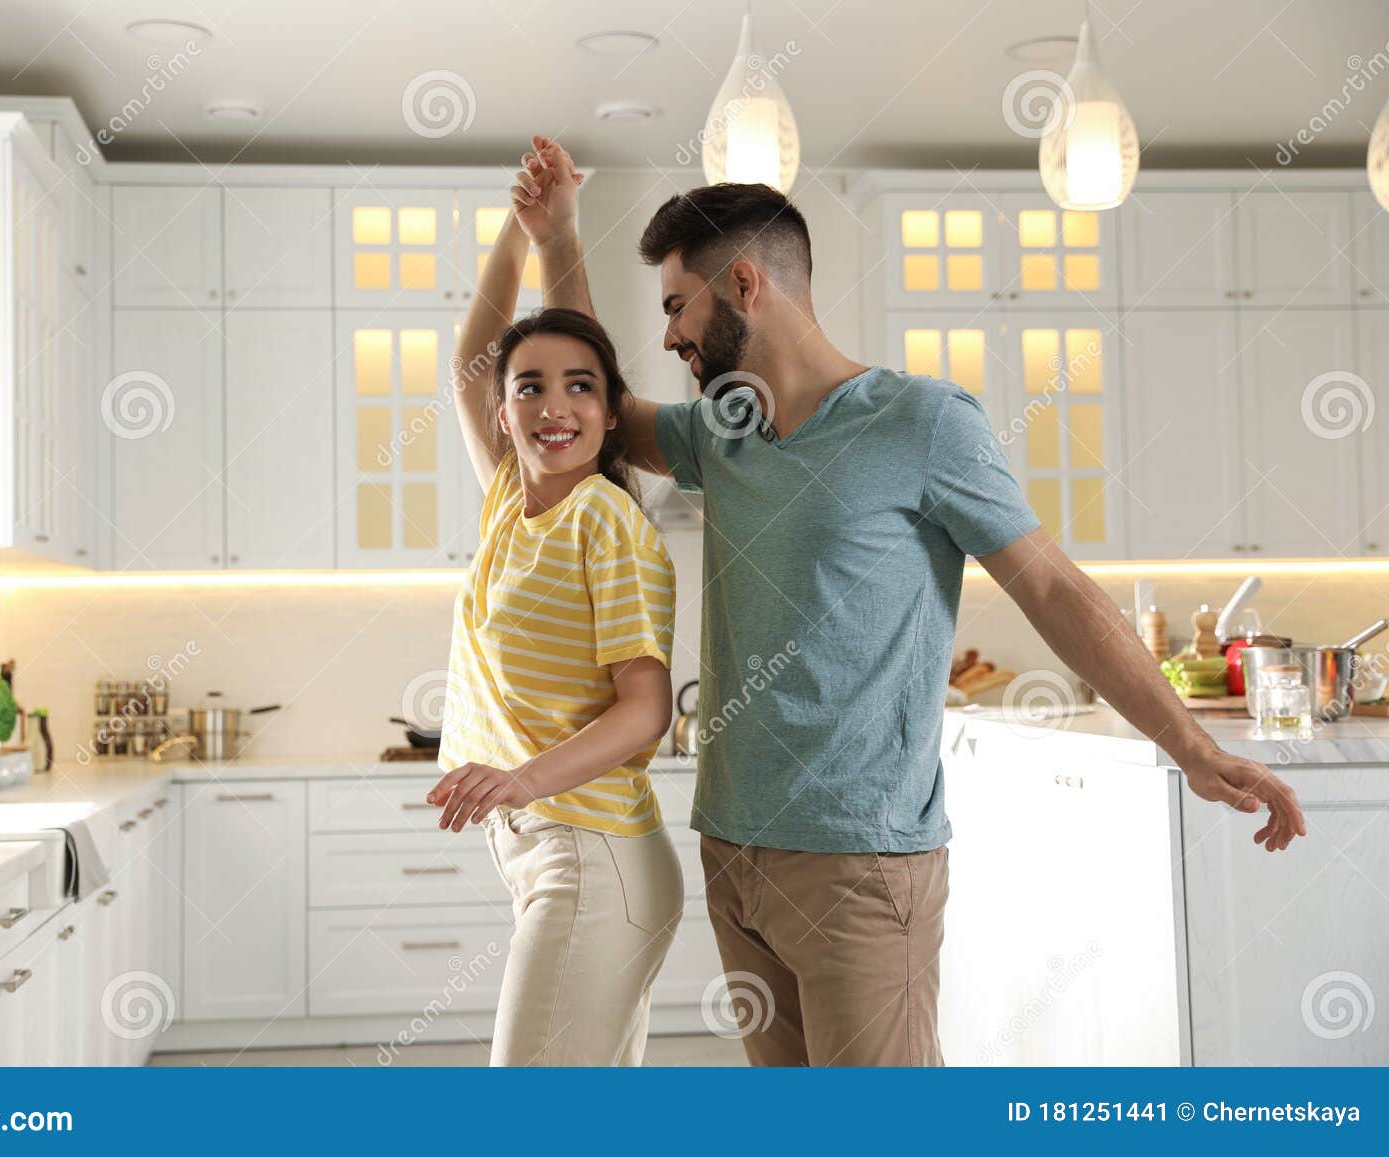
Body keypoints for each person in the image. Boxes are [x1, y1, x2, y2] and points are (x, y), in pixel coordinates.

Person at [516, 135, 1308, 1067]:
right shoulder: (722, 431)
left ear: (744, 284)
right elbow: (584, 397)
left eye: (677, 306)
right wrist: (558, 234)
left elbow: (1052, 587)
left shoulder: (922, 422)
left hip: (861, 864)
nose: (669, 338)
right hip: (732, 849)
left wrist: (1195, 747)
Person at [423, 146, 684, 1067]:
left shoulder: (604, 522)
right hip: (552, 852)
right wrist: (530, 225)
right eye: (529, 385)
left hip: (590, 856)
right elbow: (470, 358)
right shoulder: (510, 498)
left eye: (583, 386)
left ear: (612, 411)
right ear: (504, 411)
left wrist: (522, 779)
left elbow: (646, 707)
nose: (555, 403)